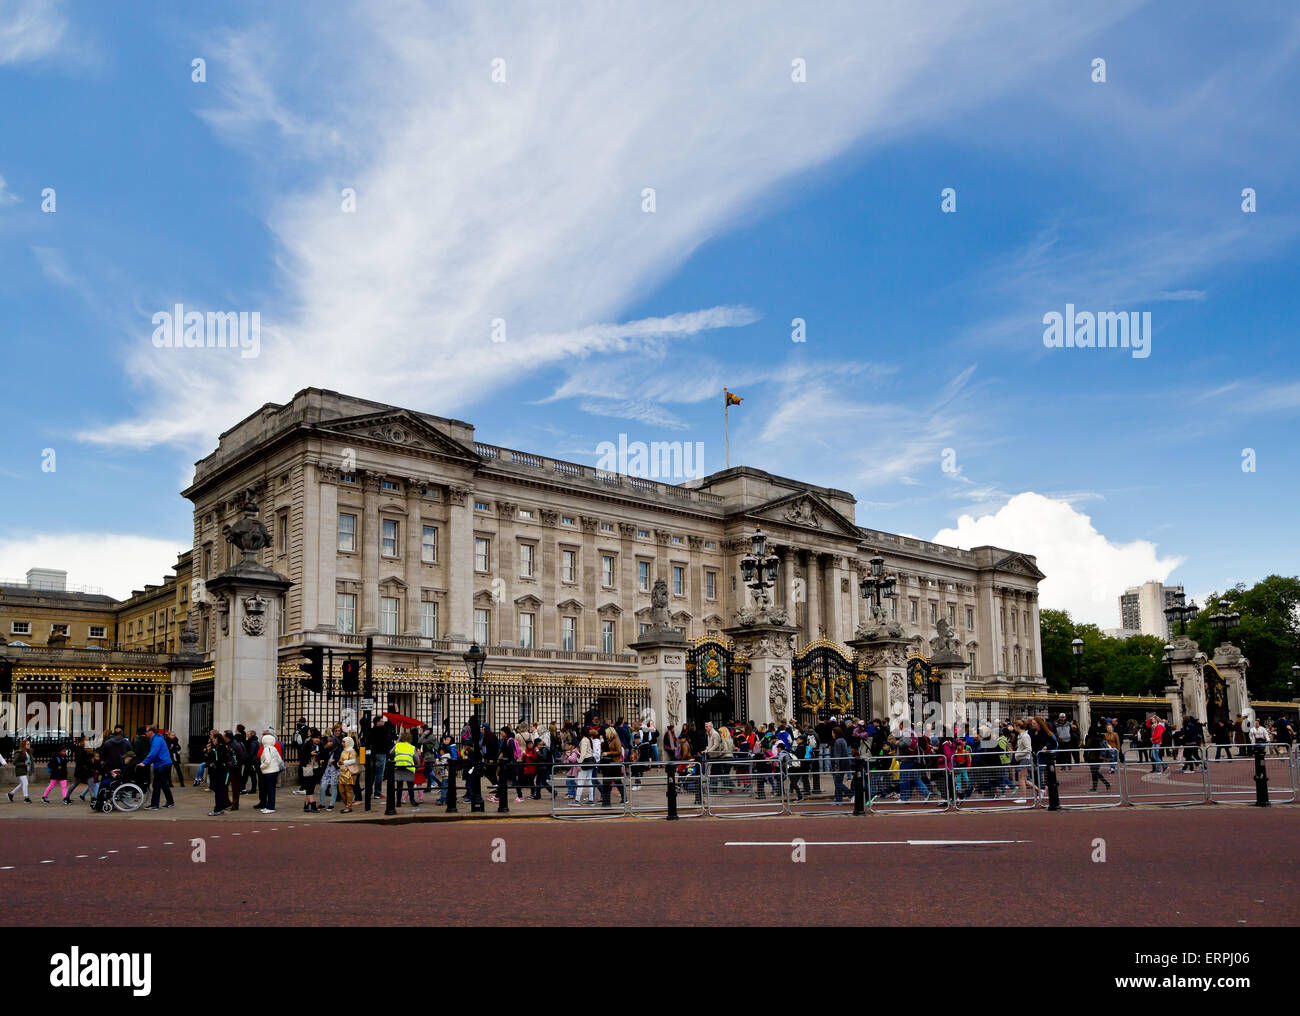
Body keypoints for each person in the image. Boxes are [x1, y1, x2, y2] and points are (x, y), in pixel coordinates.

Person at [139, 724, 175, 810]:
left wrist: (144, 762)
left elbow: (153, 753)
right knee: (163, 784)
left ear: (151, 732)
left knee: (156, 785)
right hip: (163, 764)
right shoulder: (155, 739)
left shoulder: (156, 740)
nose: (145, 733)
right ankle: (170, 802)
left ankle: (155, 805)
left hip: (162, 764)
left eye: (147, 731)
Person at [204, 730, 232, 816]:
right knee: (220, 791)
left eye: (214, 738)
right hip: (221, 771)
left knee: (218, 792)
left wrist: (209, 752)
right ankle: (220, 807)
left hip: (219, 772)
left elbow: (215, 760)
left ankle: (218, 809)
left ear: (217, 739)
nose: (213, 740)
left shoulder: (218, 748)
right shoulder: (222, 747)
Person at [392, 734, 420, 810]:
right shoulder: (411, 747)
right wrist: (417, 765)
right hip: (409, 767)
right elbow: (416, 758)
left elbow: (391, 753)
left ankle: (398, 802)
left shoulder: (397, 745)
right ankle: (412, 800)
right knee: (410, 785)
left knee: (399, 786)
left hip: (398, 766)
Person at [258, 732, 284, 813]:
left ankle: (270, 807)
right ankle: (269, 806)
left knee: (269, 790)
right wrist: (275, 766)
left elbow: (267, 761)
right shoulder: (274, 748)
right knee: (272, 790)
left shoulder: (266, 749)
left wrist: (261, 766)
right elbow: (280, 760)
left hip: (268, 772)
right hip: (274, 771)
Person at [337, 735, 360, 812]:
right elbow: (340, 761)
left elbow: (353, 760)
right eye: (342, 741)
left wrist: (343, 762)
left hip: (349, 773)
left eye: (344, 742)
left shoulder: (352, 751)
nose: (342, 743)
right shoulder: (343, 751)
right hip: (342, 772)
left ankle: (348, 806)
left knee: (348, 790)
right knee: (341, 790)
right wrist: (339, 763)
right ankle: (347, 804)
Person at [69, 736, 95, 802]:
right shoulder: (79, 749)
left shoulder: (89, 748)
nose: (88, 741)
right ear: (82, 741)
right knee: (75, 784)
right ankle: (66, 797)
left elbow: (91, 757)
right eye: (86, 739)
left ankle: (93, 799)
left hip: (88, 770)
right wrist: (88, 761)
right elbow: (78, 760)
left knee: (91, 784)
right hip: (80, 770)